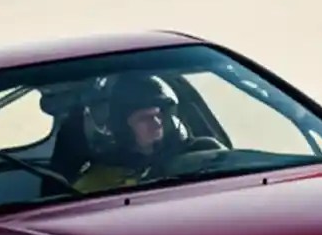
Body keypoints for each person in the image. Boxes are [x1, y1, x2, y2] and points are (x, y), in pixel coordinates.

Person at [72, 73, 222, 193]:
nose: (157, 123)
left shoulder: (202, 155)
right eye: (144, 118)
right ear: (122, 127)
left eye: (158, 115)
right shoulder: (99, 179)